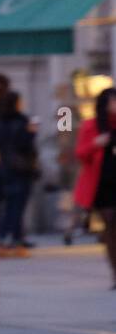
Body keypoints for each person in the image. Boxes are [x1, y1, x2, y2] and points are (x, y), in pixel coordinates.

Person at [73, 87, 116, 284]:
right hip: (102, 184)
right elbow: (80, 153)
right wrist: (96, 143)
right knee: (110, 225)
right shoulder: (91, 126)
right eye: (112, 101)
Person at [0, 90, 39, 255]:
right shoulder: (21, 121)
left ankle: (13, 239)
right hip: (20, 168)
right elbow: (24, 144)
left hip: (4, 168)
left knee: (10, 205)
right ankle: (8, 238)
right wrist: (31, 133)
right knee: (17, 205)